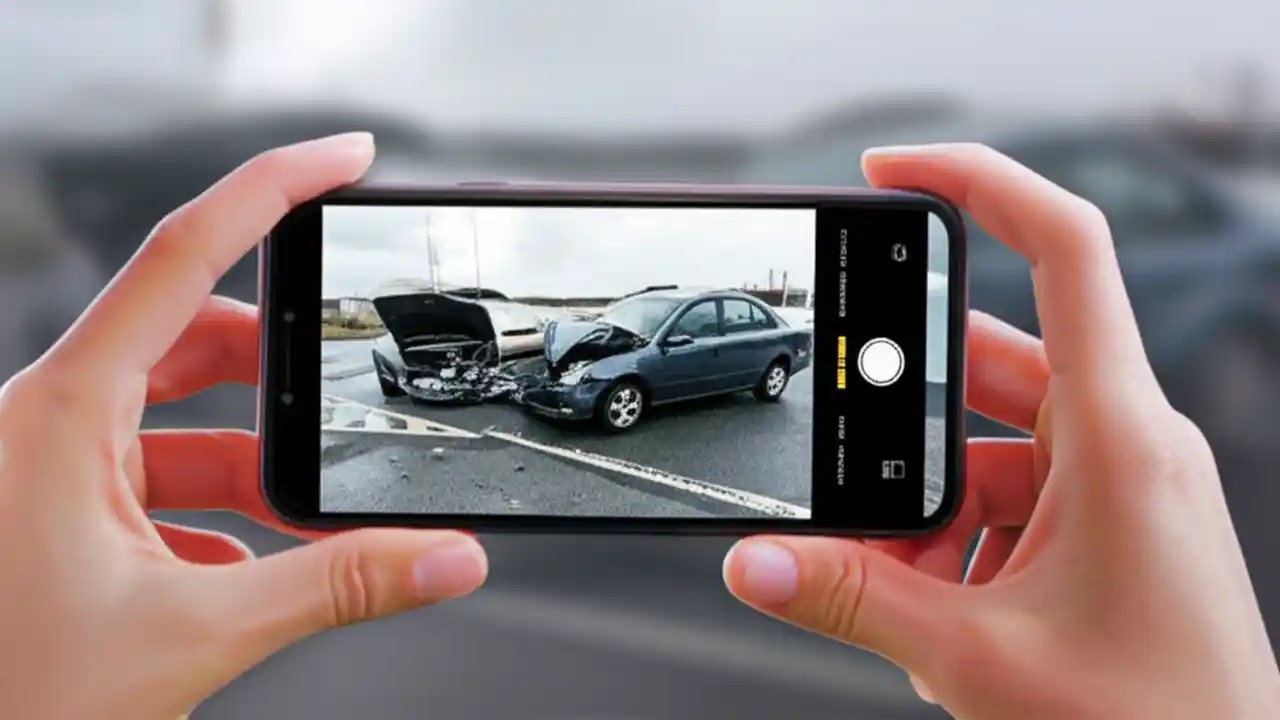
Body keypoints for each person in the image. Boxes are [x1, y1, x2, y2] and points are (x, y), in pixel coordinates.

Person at [0, 135, 1274, 718]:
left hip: (687, 356)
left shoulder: (722, 337)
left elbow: (620, 366)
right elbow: (556, 364)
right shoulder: (571, 334)